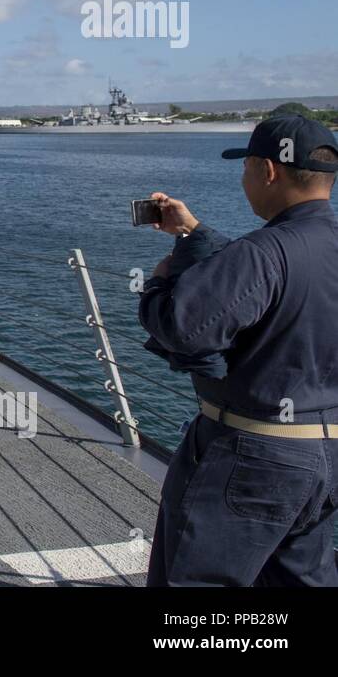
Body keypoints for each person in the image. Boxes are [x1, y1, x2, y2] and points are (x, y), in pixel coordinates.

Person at [138, 115, 338, 586]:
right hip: (325, 454)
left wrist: (160, 281)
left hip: (254, 455)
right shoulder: (293, 249)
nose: (245, 178)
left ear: (268, 170)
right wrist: (195, 233)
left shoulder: (263, 252)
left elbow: (183, 328)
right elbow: (283, 282)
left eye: (247, 167)